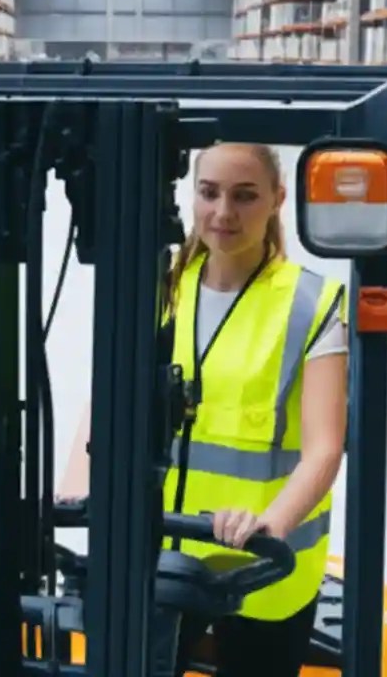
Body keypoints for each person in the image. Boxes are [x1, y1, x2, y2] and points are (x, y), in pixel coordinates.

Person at [56, 142, 349, 677]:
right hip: (156, 547)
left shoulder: (313, 304)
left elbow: (325, 449)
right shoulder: (160, 286)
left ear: (278, 200)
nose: (222, 213)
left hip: (258, 564)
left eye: (244, 196)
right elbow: (109, 398)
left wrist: (270, 526)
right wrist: (78, 490)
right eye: (209, 193)